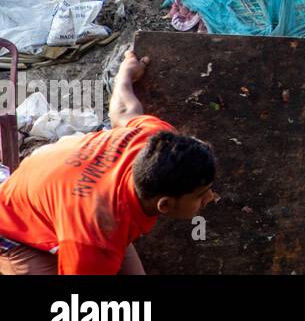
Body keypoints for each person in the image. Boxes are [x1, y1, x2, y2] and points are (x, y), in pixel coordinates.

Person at [0, 50, 217, 274]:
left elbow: (124, 110)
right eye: (201, 194)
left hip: (61, 198)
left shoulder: (157, 141)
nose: (211, 198)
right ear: (164, 204)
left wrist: (125, 74)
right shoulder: (95, 237)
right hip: (13, 227)